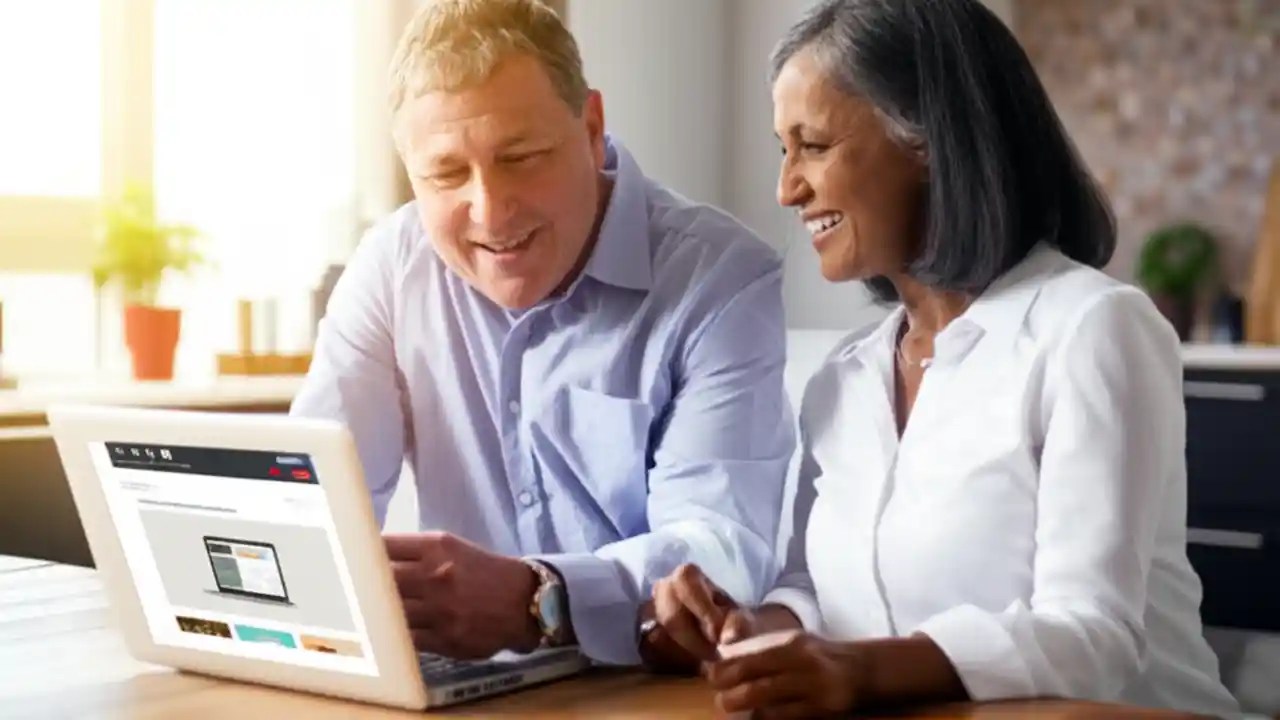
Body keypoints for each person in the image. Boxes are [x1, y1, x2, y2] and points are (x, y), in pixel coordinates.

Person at [648, 0, 1241, 716]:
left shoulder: (1091, 329)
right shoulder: (844, 379)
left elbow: (1093, 636)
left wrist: (860, 673)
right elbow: (811, 590)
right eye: (783, 149)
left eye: (814, 145)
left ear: (928, 138)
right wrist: (745, 630)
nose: (787, 188)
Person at [290, 0, 794, 666]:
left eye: (522, 157)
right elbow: (312, 503)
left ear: (591, 127)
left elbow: (720, 551)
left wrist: (541, 598)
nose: (491, 212)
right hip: (460, 695)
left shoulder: (721, 278)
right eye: (445, 174)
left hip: (646, 693)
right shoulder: (390, 267)